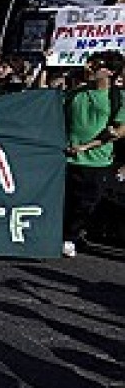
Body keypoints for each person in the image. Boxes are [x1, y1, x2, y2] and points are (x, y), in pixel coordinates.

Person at [61, 51, 125, 257]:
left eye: (96, 65)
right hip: (67, 157)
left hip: (96, 162)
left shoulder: (118, 98)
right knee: (65, 199)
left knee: (86, 203)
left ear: (111, 72)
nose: (89, 67)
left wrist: (85, 147)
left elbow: (119, 131)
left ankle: (72, 236)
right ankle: (65, 235)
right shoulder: (76, 93)